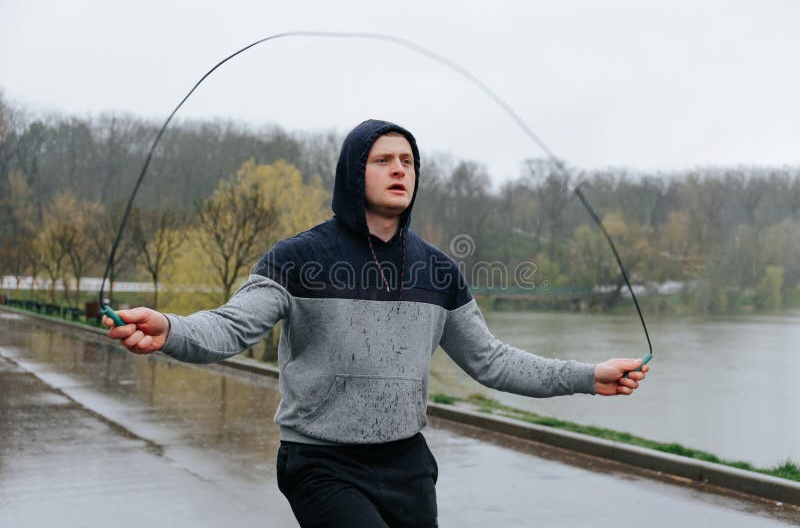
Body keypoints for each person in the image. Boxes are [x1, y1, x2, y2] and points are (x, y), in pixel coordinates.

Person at [104, 119, 649, 527]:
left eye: (408, 161)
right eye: (383, 159)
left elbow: (491, 360)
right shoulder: (298, 258)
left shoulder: (438, 270)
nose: (399, 170)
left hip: (408, 464)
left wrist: (587, 376)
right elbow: (230, 326)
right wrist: (171, 329)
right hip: (321, 464)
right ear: (352, 172)